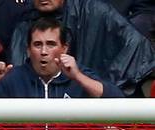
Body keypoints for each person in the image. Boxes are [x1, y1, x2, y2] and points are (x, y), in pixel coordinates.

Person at [9, 0, 155, 96]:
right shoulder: (23, 23)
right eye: (38, 45)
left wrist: (102, 84)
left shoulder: (94, 10)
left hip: (94, 105)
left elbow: (137, 47)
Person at [0, 16, 123, 99]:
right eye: (38, 44)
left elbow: (118, 101)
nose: (44, 51)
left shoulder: (78, 75)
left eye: (51, 44)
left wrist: (78, 77)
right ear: (28, 49)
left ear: (64, 48)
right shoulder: (13, 78)